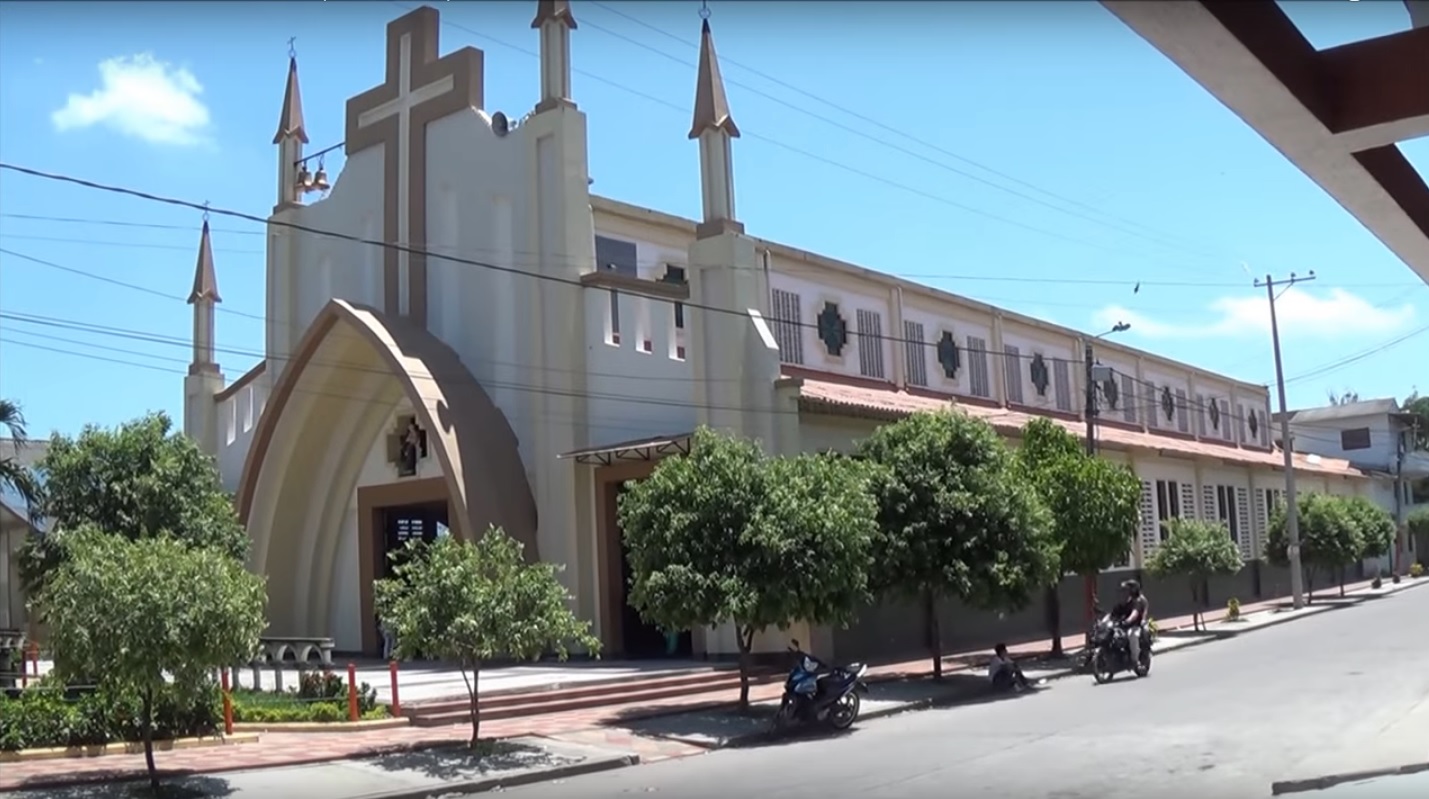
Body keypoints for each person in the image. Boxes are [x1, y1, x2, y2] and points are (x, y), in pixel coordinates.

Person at [1111, 579, 1150, 674]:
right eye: (1124, 590)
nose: (1125, 592)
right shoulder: (1126, 601)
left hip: (1135, 626)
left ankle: (1135, 660)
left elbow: (1135, 614)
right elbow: (1115, 612)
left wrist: (1127, 621)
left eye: (1127, 589)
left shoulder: (1139, 600)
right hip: (1124, 625)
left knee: (1132, 635)